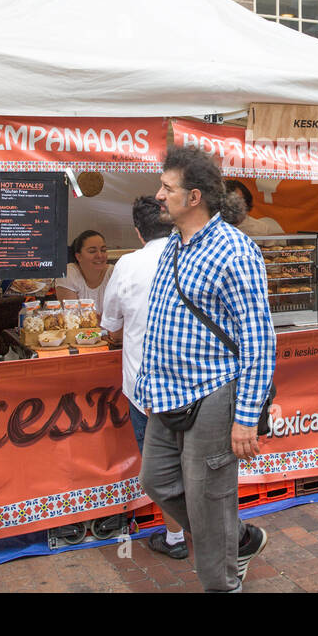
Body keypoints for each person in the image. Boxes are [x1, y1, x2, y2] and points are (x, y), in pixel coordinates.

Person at [136, 146, 276, 592]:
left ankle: (223, 583)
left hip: (215, 393)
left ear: (193, 197)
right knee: (157, 480)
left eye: (167, 187)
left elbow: (259, 342)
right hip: (167, 392)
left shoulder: (236, 251)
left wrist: (245, 417)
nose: (159, 195)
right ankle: (235, 536)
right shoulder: (174, 243)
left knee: (207, 497)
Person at [100, 196, 185, 558]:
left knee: (161, 466)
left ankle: (176, 537)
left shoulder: (129, 264)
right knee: (194, 461)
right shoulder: (194, 256)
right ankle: (213, 530)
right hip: (194, 382)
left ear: (138, 232)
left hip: (146, 389)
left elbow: (110, 326)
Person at [55, 230, 112, 314]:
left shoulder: (115, 273)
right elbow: (73, 318)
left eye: (103, 250)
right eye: (92, 251)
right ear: (78, 256)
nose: (100, 255)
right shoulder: (67, 274)